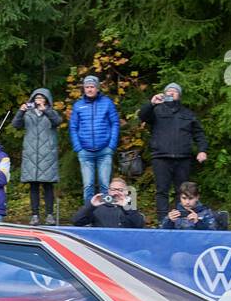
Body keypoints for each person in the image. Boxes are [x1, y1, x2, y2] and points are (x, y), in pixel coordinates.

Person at [138, 82, 208, 216]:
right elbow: (142, 116)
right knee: (161, 191)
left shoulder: (188, 113)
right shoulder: (156, 111)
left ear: (179, 95)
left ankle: (181, 219)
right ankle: (163, 221)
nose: (171, 93)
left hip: (183, 158)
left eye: (174, 91)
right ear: (164, 94)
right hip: (161, 157)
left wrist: (202, 150)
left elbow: (199, 133)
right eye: (168, 91)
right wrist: (152, 103)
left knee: (182, 191)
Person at [13, 87, 63, 224]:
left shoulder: (51, 112)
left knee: (48, 186)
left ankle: (49, 215)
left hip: (47, 154)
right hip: (31, 154)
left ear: (47, 100)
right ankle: (34, 215)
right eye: (36, 98)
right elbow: (16, 125)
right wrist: (20, 111)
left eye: (41, 98)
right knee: (33, 185)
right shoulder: (28, 114)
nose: (38, 101)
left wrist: (45, 110)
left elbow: (58, 122)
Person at [69, 75, 119, 203]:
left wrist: (111, 145)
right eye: (87, 87)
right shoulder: (78, 105)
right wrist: (78, 148)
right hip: (85, 152)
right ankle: (88, 216)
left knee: (104, 184)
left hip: (104, 151)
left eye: (92, 87)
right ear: (84, 89)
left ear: (97, 88)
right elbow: (73, 127)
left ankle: (104, 215)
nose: (89, 89)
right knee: (88, 186)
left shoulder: (107, 103)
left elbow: (115, 123)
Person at [70, 179, 146, 228]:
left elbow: (139, 225)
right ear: (108, 191)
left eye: (120, 190)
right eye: (113, 189)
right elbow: (76, 221)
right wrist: (91, 206)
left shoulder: (131, 208)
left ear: (126, 192)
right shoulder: (99, 208)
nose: (116, 192)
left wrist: (127, 207)